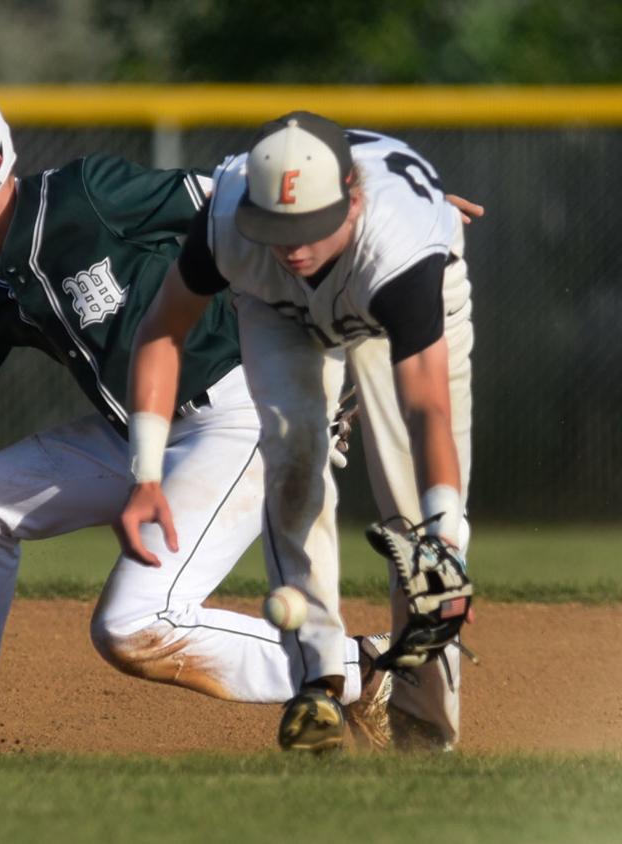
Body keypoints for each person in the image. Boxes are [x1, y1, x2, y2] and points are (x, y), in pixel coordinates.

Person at [0, 82, 441, 753]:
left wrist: (383, 207)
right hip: (143, 436)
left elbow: (238, 195)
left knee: (133, 625)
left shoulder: (86, 197)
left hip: (241, 415)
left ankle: (363, 671)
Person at [120, 111, 475, 751]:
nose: (293, 245)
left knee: (416, 518)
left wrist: (445, 541)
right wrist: (145, 472)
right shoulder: (231, 222)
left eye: (308, 225)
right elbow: (160, 332)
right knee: (290, 454)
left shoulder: (399, 252)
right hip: (278, 308)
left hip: (393, 279)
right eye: (276, 227)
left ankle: (426, 733)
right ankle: (318, 683)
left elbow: (429, 412)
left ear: (353, 196)